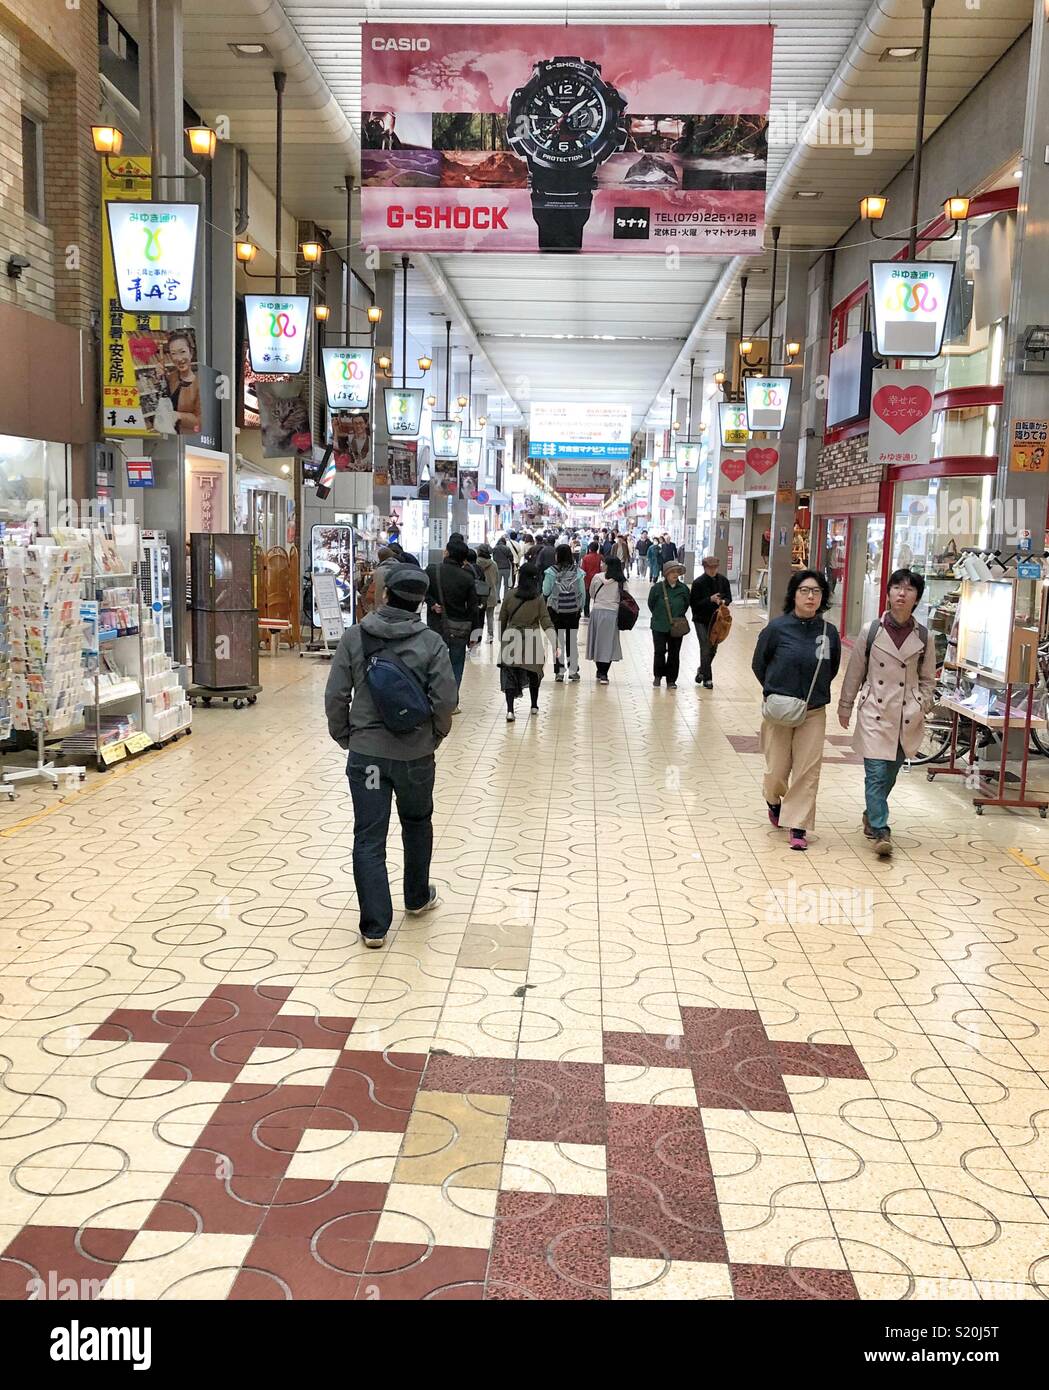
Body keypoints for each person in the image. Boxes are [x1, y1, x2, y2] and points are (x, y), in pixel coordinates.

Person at [324, 564, 457, 947]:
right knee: (417, 824)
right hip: (416, 753)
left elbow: (336, 695)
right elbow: (446, 699)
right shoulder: (431, 643)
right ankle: (416, 897)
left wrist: (344, 735)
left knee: (369, 836)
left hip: (366, 753)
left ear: (385, 595)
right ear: (420, 603)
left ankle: (375, 927)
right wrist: (435, 735)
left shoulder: (355, 637)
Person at [837, 568, 937, 857]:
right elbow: (855, 672)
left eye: (908, 589)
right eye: (896, 587)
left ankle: (871, 813)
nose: (901, 594)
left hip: (907, 714)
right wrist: (845, 706)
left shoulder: (924, 636)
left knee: (890, 773)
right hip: (875, 710)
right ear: (889, 593)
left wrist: (923, 702)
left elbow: (929, 677)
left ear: (916, 597)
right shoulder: (872, 631)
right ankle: (881, 829)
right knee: (876, 773)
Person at [752, 569, 841, 852]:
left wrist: (812, 694)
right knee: (777, 768)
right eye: (804, 591)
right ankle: (774, 801)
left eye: (816, 592)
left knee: (807, 770)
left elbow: (833, 667)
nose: (810, 596)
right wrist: (775, 690)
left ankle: (798, 824)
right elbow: (759, 664)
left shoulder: (829, 632)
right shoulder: (777, 629)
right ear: (794, 595)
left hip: (813, 710)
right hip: (780, 709)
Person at [498, 562, 553, 721]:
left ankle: (510, 711)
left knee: (509, 672)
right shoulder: (538, 598)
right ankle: (534, 705)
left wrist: (503, 637)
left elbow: (502, 618)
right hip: (532, 637)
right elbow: (545, 620)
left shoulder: (509, 595)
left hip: (511, 636)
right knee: (533, 672)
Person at [425, 538, 481, 693]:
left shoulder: (431, 570)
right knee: (456, 664)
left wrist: (431, 604)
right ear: (463, 558)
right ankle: (452, 701)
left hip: (437, 625)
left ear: (447, 552)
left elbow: (423, 591)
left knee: (435, 663)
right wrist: (475, 633)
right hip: (459, 628)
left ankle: (435, 697)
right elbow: (473, 608)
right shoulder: (467, 578)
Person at [542, 543, 585, 682]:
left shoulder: (551, 572)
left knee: (558, 641)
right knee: (572, 640)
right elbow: (582, 593)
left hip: (556, 611)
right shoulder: (577, 572)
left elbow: (546, 591)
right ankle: (573, 671)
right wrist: (580, 608)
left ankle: (559, 672)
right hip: (573, 611)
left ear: (558, 556)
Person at [690, 554, 733, 689]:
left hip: (717, 621)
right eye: (710, 568)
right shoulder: (698, 583)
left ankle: (702, 670)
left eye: (715, 567)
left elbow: (729, 597)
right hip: (701, 619)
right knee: (706, 646)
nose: (713, 570)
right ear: (704, 568)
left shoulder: (723, 581)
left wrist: (723, 601)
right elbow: (694, 604)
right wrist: (710, 599)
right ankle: (707, 679)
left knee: (713, 648)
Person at [648, 559, 690, 689]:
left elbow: (686, 604)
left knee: (674, 653)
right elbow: (651, 604)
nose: (675, 574)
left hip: (677, 626)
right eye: (672, 572)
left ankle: (671, 679)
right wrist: (660, 615)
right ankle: (658, 676)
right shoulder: (657, 588)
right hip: (659, 625)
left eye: (677, 571)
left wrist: (678, 616)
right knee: (659, 651)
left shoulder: (683, 589)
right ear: (666, 574)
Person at [586, 554, 627, 684]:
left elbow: (592, 594)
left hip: (597, 612)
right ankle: (604, 673)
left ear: (608, 566)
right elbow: (626, 597)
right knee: (608, 643)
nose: (602, 565)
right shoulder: (621, 581)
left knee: (598, 642)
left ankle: (600, 670)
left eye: (604, 564)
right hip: (613, 614)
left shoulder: (597, 578)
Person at [166, 331, 201, 434]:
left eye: (182, 352)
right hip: (168, 436)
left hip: (189, 440)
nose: (179, 358)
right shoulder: (171, 377)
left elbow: (201, 421)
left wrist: (178, 416)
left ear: (191, 353)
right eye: (174, 354)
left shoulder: (200, 384)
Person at [475, 544, 501, 642]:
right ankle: (490, 636)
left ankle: (478, 635)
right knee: (490, 616)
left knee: (478, 616)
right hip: (491, 592)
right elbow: (497, 579)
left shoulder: (476, 563)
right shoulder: (493, 564)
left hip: (479, 594)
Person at [581, 540, 602, 618]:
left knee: (587, 598)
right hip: (598, 580)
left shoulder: (585, 558)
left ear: (589, 549)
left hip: (587, 580)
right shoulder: (600, 557)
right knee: (597, 597)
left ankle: (587, 613)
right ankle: (597, 612)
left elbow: (583, 570)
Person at [492, 536, 514, 600]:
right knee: (506, 584)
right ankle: (505, 597)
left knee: (498, 584)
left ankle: (497, 598)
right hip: (506, 567)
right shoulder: (507, 548)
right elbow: (511, 557)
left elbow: (494, 558)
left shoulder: (495, 548)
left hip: (498, 568)